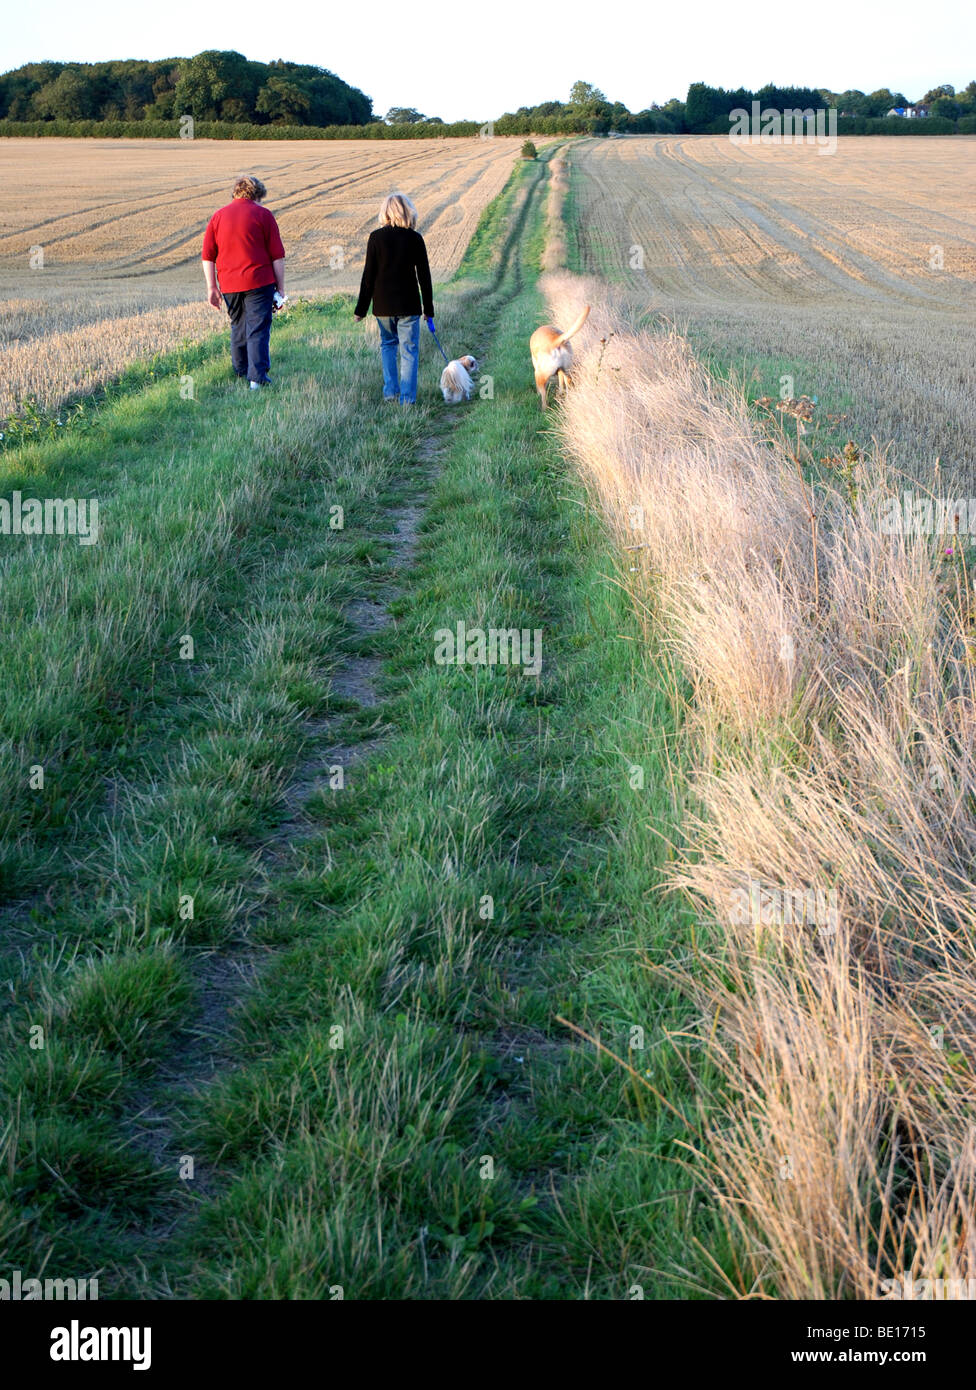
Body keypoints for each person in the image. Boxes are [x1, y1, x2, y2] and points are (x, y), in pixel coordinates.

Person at [202, 175, 285, 390]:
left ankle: (240, 371)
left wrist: (212, 287)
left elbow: (208, 256)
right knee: (257, 328)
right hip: (259, 281)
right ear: (256, 195)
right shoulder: (263, 215)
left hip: (229, 284)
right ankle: (256, 379)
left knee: (238, 325)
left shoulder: (218, 216)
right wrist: (281, 287)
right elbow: (277, 256)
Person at [354, 192, 434, 405]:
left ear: (385, 213)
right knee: (409, 351)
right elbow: (424, 277)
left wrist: (360, 310)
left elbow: (368, 277)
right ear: (408, 212)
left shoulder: (375, 238)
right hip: (409, 305)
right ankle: (407, 399)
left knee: (388, 346)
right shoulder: (415, 238)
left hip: (383, 306)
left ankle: (390, 392)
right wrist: (429, 309)